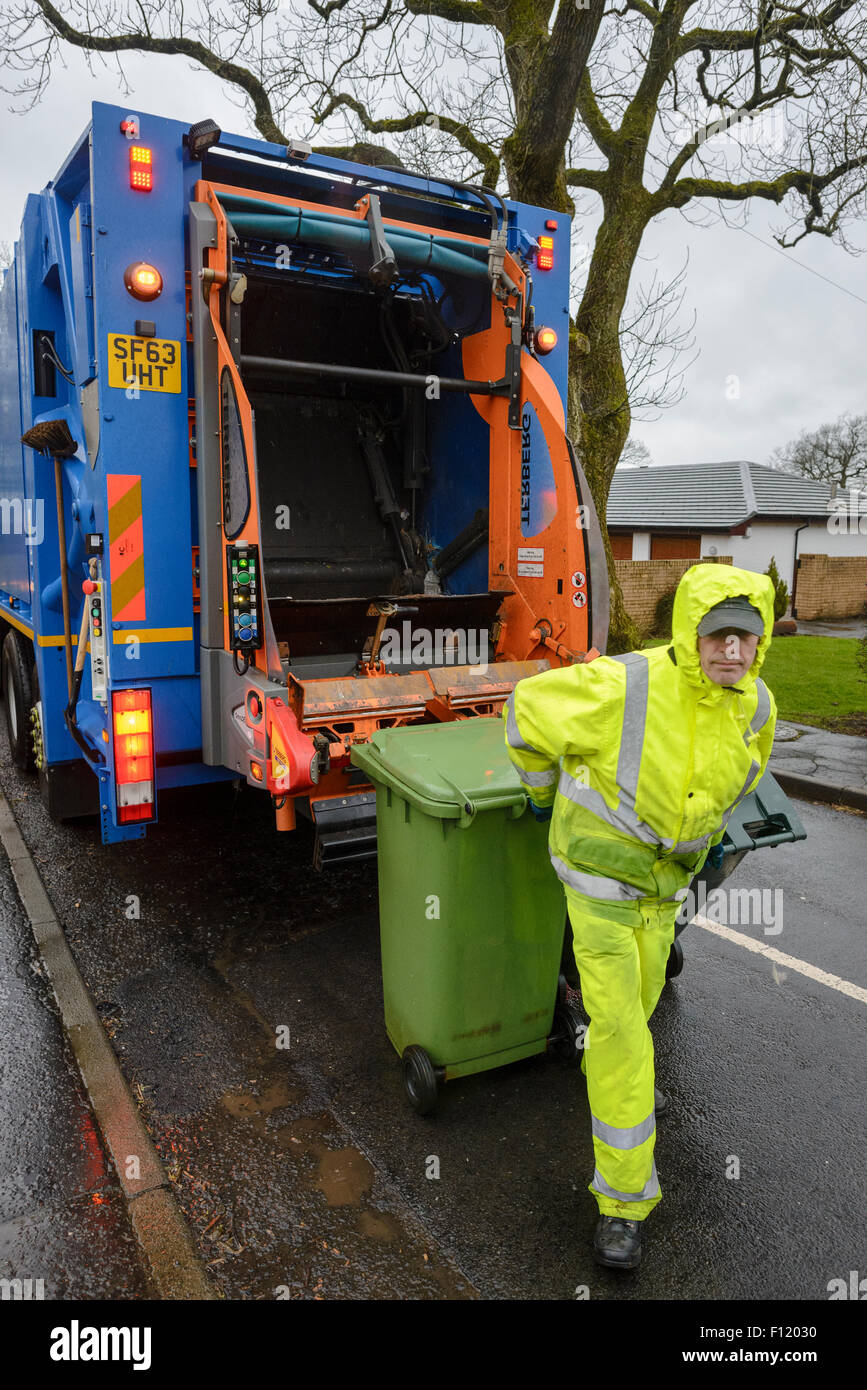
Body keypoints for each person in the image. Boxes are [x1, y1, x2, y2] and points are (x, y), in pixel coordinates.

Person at [503, 563, 777, 1270]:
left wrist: (707, 830)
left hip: (664, 894)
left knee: (638, 1013)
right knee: (622, 1034)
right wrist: (539, 791)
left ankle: (600, 1057)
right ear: (690, 633)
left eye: (745, 640)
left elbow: (749, 770)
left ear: (761, 642)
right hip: (599, 887)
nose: (731, 652)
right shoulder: (622, 684)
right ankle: (622, 1204)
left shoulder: (755, 706)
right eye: (717, 636)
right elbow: (527, 708)